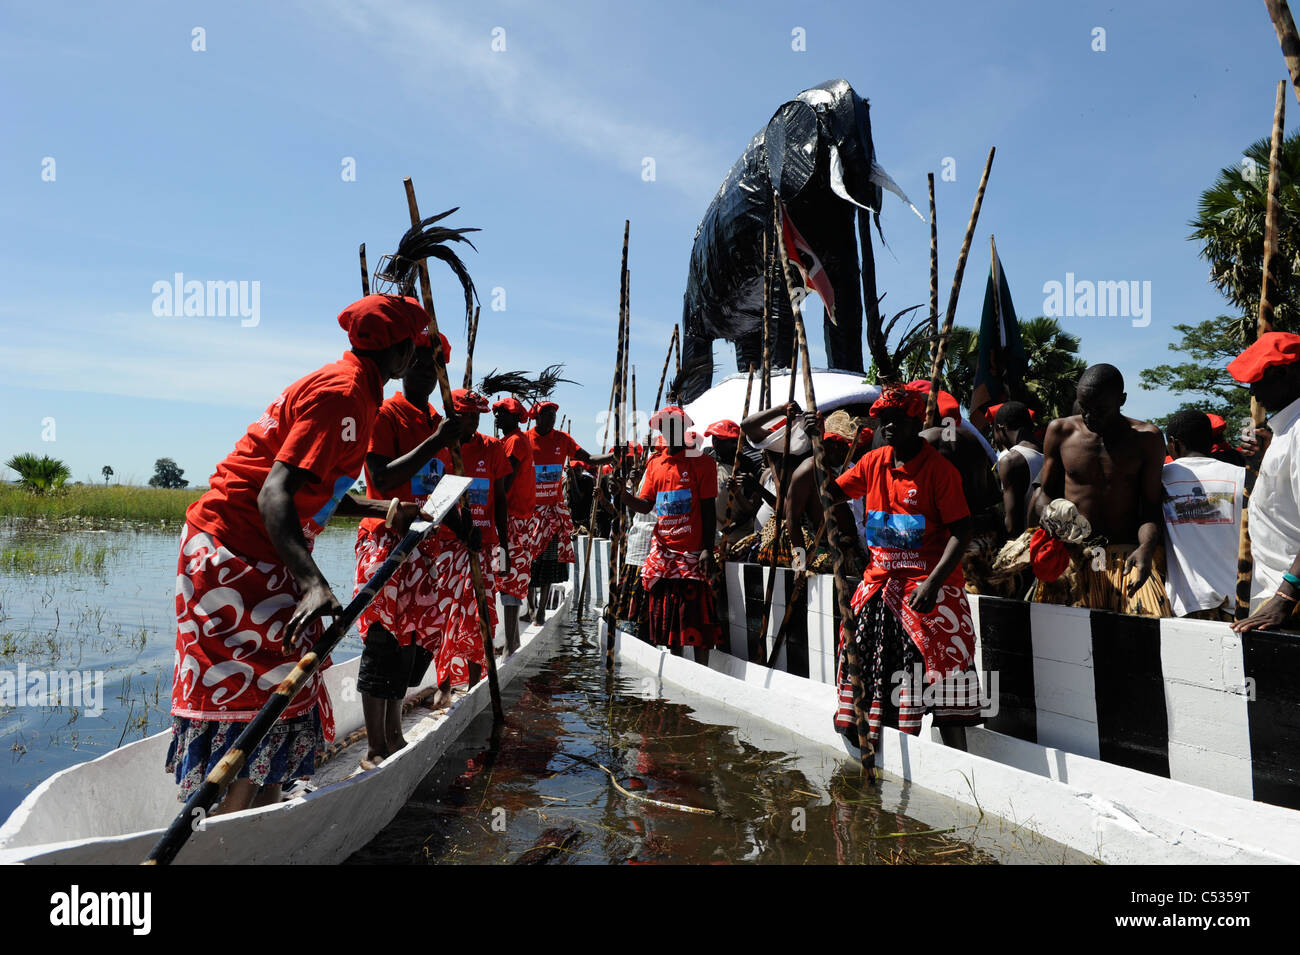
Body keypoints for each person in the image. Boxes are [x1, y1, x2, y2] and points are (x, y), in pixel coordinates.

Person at [169, 294, 428, 811]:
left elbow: (321, 490)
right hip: (231, 555)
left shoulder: (358, 395)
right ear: (399, 351)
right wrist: (313, 582)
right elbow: (273, 494)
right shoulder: (344, 393)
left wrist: (385, 509)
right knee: (251, 700)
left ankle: (261, 810)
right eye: (417, 346)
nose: (419, 357)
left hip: (265, 555)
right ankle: (228, 820)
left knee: (288, 689)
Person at [820, 385, 982, 757]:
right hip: (880, 588)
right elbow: (831, 494)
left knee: (945, 684)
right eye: (883, 421)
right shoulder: (873, 462)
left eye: (896, 420)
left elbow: (962, 531)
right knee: (873, 680)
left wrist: (933, 584)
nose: (888, 427)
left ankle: (961, 764)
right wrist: (815, 453)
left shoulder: (940, 471)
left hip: (927, 589)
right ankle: (880, 751)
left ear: (915, 421)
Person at [353, 330, 460, 767]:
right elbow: (381, 478)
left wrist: (462, 528)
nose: (422, 373)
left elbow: (441, 490)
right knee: (383, 640)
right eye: (415, 362)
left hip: (424, 547)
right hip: (387, 540)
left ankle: (395, 732)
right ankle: (376, 747)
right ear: (402, 365)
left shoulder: (437, 419)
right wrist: (435, 440)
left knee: (413, 644)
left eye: (431, 367)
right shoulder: (387, 413)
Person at [1031, 364, 1171, 616]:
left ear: (1122, 400)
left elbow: (1150, 508)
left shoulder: (1147, 439)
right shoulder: (1060, 431)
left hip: (1125, 557)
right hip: (1074, 557)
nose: (1089, 416)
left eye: (1100, 410)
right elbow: (1044, 494)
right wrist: (1051, 517)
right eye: (1084, 407)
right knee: (1064, 646)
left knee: (1144, 635)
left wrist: (1147, 548)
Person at [621, 406, 723, 664]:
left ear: (685, 428)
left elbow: (709, 510)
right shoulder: (655, 463)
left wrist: (707, 549)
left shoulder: (703, 462)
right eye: (667, 427)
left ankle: (703, 670)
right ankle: (677, 665)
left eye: (677, 426)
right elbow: (646, 505)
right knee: (670, 621)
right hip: (664, 553)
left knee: (697, 620)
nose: (672, 432)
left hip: (692, 552)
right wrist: (622, 496)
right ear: (662, 431)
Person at [429, 389, 511, 703]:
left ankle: (476, 684)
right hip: (448, 546)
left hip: (484, 547)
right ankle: (444, 684)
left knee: (482, 615)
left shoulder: (491, 448)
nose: (474, 422)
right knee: (444, 615)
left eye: (478, 416)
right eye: (468, 416)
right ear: (454, 415)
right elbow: (433, 502)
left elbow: (500, 502)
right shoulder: (439, 450)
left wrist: (504, 546)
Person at [1229, 332, 1300, 633]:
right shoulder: (1286, 431)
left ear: (1284, 372)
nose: (1254, 393)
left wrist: (1285, 597)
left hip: (1290, 603)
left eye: (1258, 380)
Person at [1160, 409, 1244, 620]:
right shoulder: (1242, 476)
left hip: (1188, 606)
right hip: (1240, 605)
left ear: (1174, 443)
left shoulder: (1160, 477)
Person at [526, 401, 591, 623]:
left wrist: (612, 459)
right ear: (537, 417)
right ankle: (531, 606)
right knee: (528, 563)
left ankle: (542, 609)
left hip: (552, 514)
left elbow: (588, 458)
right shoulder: (524, 440)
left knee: (548, 563)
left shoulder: (562, 439)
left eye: (554, 415)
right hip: (529, 513)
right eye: (548, 415)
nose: (552, 419)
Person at [492, 397, 536, 654]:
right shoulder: (507, 441)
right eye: (496, 413)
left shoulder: (516, 441)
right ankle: (510, 640)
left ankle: (511, 643)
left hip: (513, 520)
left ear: (515, 418)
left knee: (509, 579)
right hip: (510, 518)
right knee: (505, 577)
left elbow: (504, 484)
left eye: (503, 414)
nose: (497, 417)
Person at [992, 401, 1044, 537]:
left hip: (1030, 548)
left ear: (1001, 429)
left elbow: (1012, 527)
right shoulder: (1049, 452)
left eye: (995, 432)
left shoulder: (1010, 461)